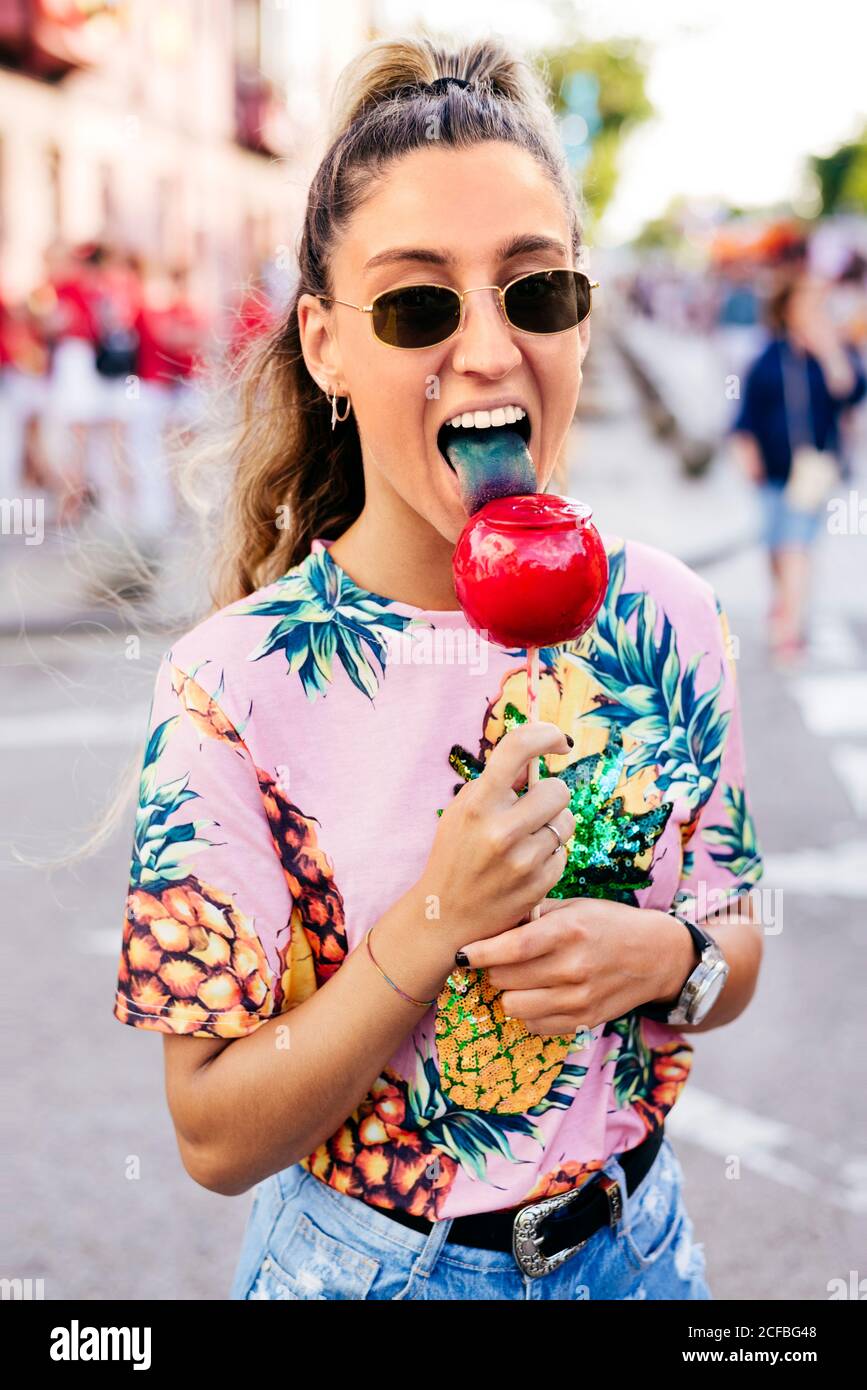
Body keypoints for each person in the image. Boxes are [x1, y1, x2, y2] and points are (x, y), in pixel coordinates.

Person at [111, 35, 767, 1302]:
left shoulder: (669, 618)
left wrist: (666, 958)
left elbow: (735, 936)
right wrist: (434, 921)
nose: (485, 352)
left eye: (536, 293)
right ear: (326, 346)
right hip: (373, 1271)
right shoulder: (231, 687)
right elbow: (214, 1135)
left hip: (641, 1249)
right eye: (417, 305)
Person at [729, 273, 867, 664]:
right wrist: (746, 449)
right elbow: (746, 412)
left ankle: (787, 628)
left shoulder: (831, 353)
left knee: (795, 547)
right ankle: (784, 605)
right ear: (787, 309)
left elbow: (852, 391)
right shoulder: (767, 357)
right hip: (772, 470)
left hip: (813, 470)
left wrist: (829, 351)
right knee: (775, 547)